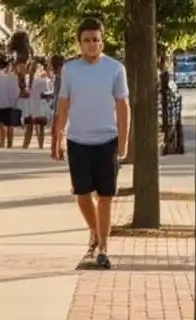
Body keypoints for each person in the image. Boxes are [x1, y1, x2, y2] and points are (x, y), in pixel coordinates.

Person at [51, 17, 130, 270]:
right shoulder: (70, 70)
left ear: (102, 41)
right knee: (83, 195)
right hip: (78, 140)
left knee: (105, 196)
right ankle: (95, 231)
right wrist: (58, 134)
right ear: (79, 43)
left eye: (96, 40)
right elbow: (63, 103)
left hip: (106, 139)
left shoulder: (115, 69)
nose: (92, 44)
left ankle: (103, 247)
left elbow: (122, 105)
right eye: (87, 40)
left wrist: (123, 141)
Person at [21, 60, 54, 149]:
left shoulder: (45, 79)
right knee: (31, 125)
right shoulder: (29, 78)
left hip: (38, 103)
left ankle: (38, 144)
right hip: (34, 103)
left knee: (38, 125)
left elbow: (50, 91)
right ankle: (28, 144)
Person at [0, 56, 23, 147]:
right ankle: (10, 143)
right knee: (10, 123)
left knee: (2, 122)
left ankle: (2, 141)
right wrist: (15, 98)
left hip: (0, 103)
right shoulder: (13, 75)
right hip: (10, 103)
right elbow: (15, 89)